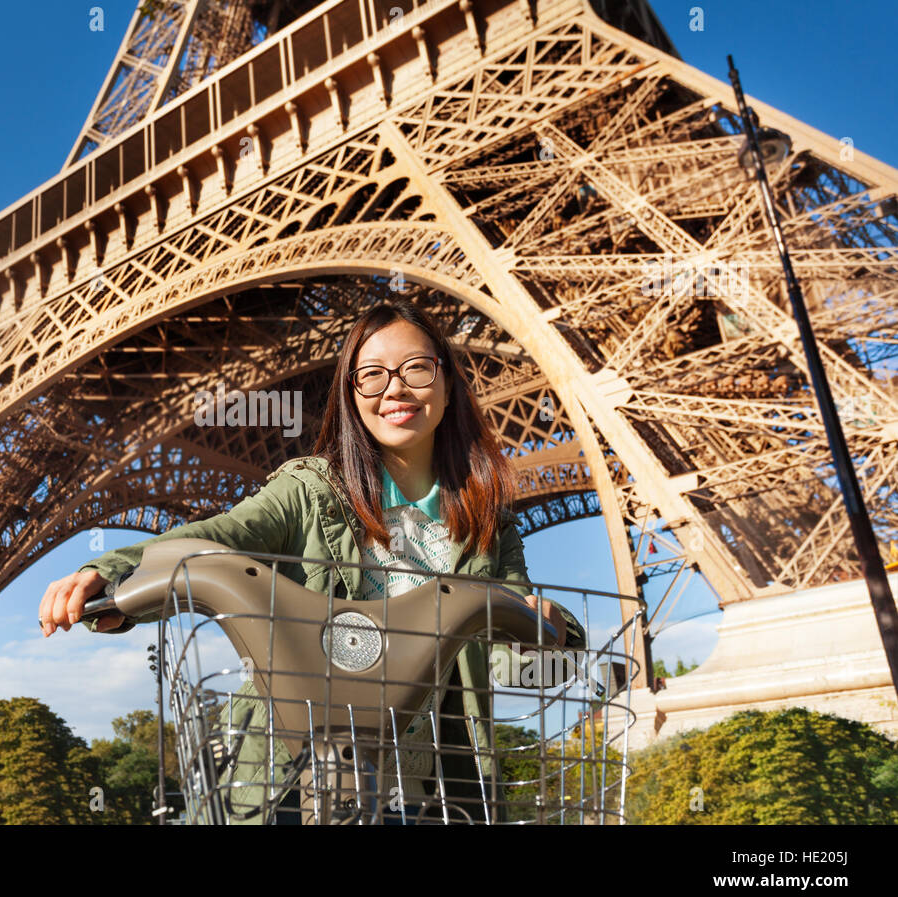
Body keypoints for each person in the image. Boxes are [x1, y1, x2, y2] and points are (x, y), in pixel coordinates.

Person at [38, 300, 587, 823]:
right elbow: (221, 536)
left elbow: (511, 639)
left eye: (417, 368)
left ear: (447, 387)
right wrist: (112, 570)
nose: (394, 387)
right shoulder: (310, 490)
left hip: (436, 795)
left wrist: (553, 630)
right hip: (292, 785)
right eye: (371, 374)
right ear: (351, 396)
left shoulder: (489, 517)